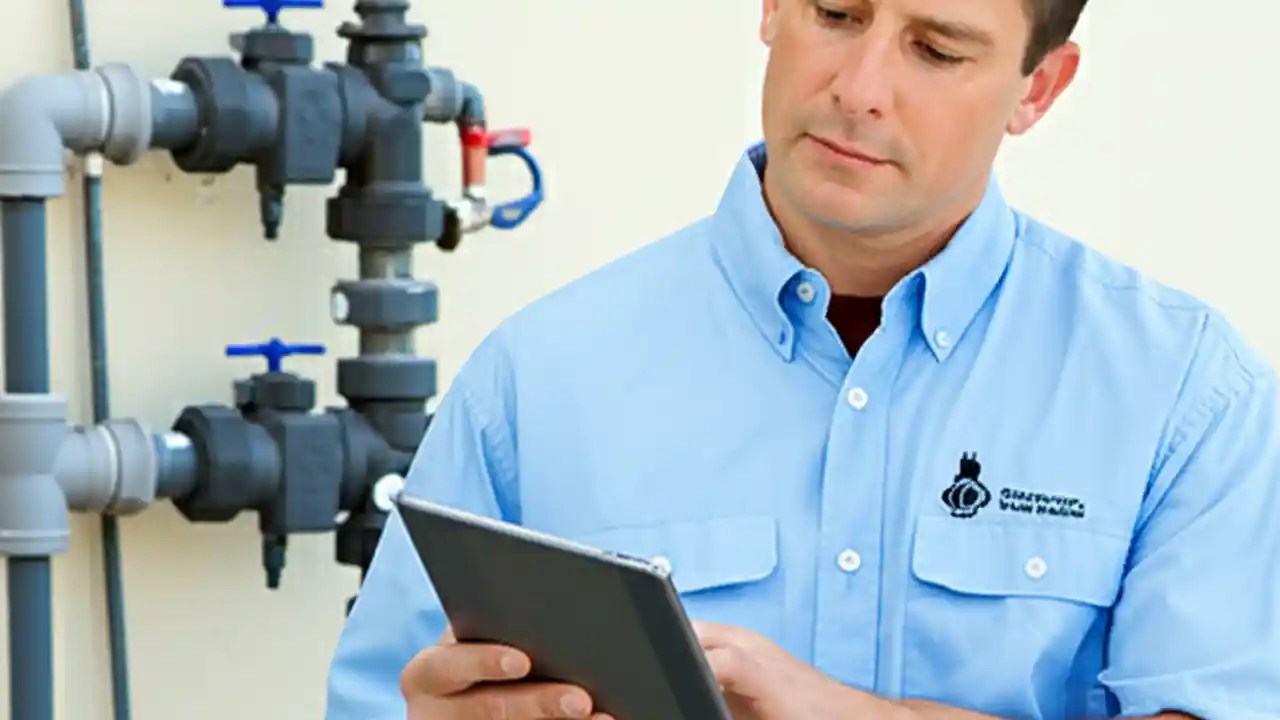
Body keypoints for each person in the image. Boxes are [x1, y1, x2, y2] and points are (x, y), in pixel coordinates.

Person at [325, 0, 1280, 717]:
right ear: (774, 7)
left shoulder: (1183, 394)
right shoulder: (534, 381)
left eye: (937, 49)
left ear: (1039, 88)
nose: (859, 89)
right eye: (835, 12)